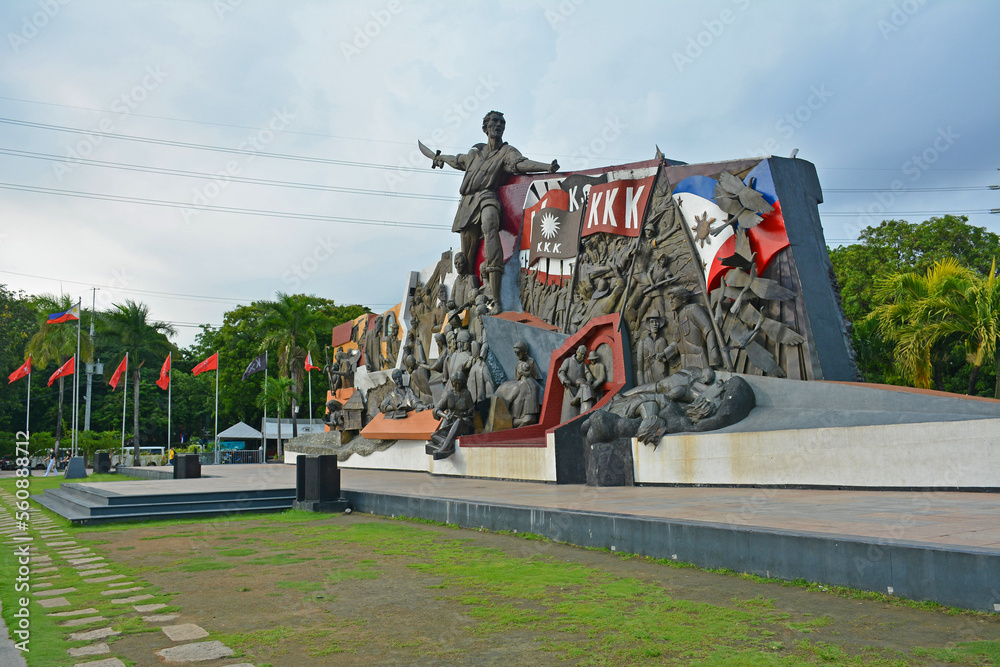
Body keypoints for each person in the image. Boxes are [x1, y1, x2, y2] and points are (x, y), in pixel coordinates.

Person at [424, 111, 560, 312]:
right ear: (485, 128)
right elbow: (455, 160)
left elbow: (520, 164)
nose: (498, 125)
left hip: (488, 197)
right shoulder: (474, 154)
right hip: (468, 204)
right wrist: (439, 158)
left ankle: (497, 300)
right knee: (468, 260)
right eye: (494, 122)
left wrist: (546, 167)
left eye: (502, 123)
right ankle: (468, 302)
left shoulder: (507, 152)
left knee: (490, 226)